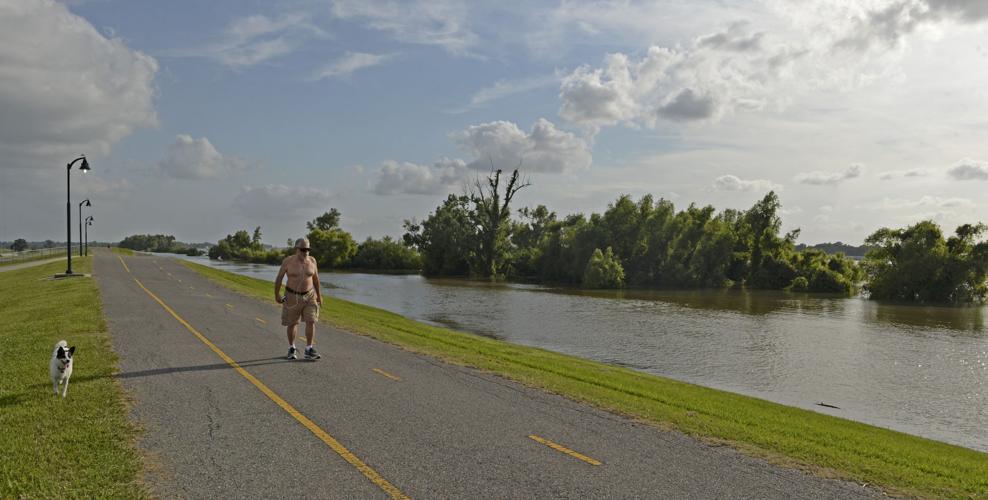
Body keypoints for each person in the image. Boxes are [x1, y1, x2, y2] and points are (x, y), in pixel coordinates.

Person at [274, 237, 322, 360]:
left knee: (311, 321)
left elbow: (316, 279)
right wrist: (277, 295)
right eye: (303, 249)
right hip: (291, 296)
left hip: (309, 296)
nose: (305, 252)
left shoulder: (312, 261)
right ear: (297, 249)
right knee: (292, 323)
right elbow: (279, 278)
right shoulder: (288, 261)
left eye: (308, 249)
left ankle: (309, 349)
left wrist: (319, 296)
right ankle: (291, 348)